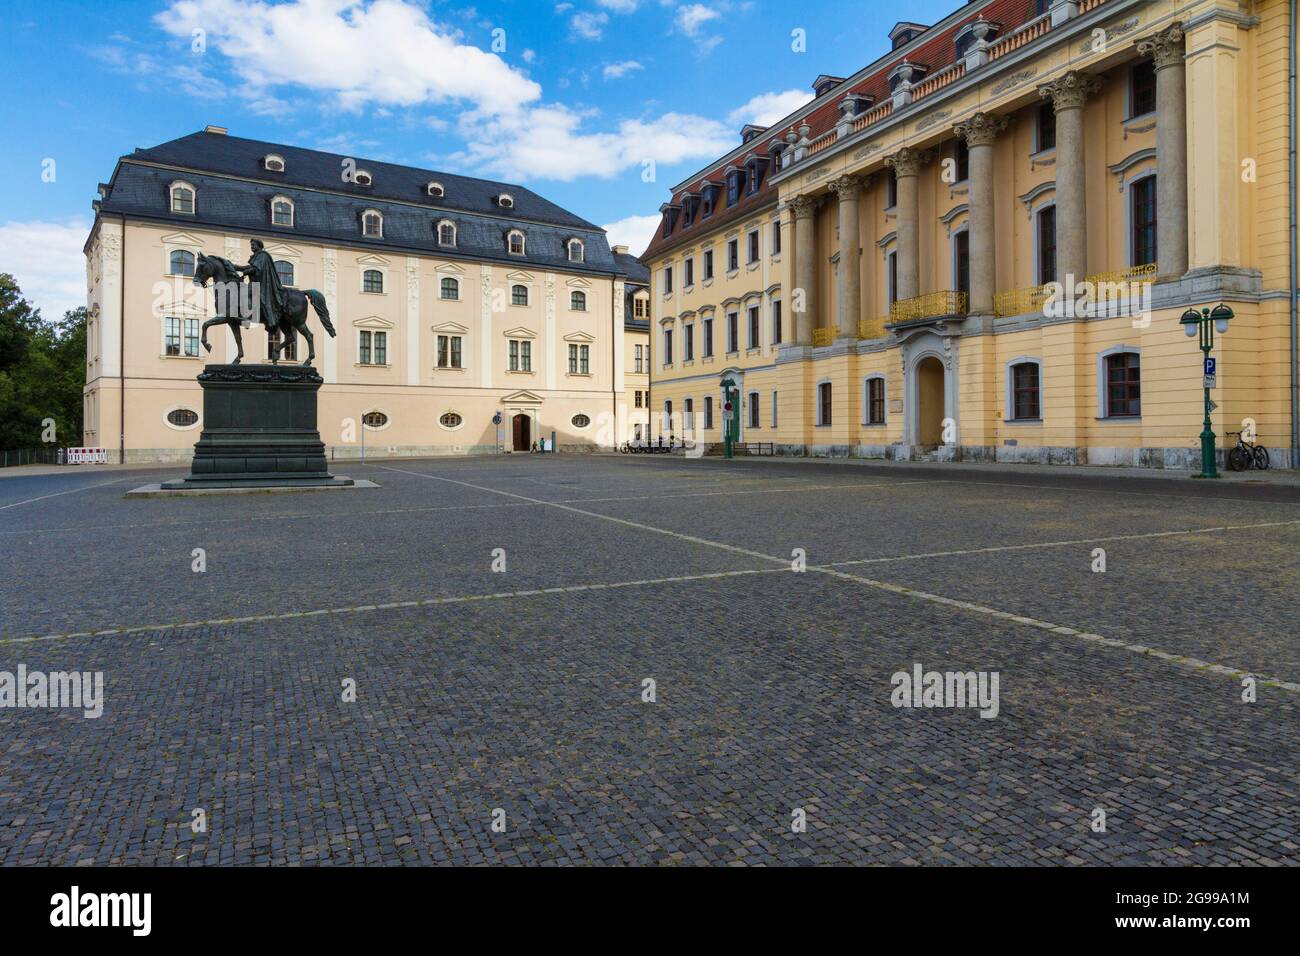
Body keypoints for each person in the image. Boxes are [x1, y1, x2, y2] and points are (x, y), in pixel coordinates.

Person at [235, 238, 289, 334]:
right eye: (251, 245)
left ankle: (246, 318)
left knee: (244, 294)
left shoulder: (262, 256)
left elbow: (255, 269)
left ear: (259, 246)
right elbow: (247, 267)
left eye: (253, 245)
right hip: (254, 283)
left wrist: (245, 273)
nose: (252, 247)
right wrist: (232, 266)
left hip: (261, 284)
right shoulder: (256, 257)